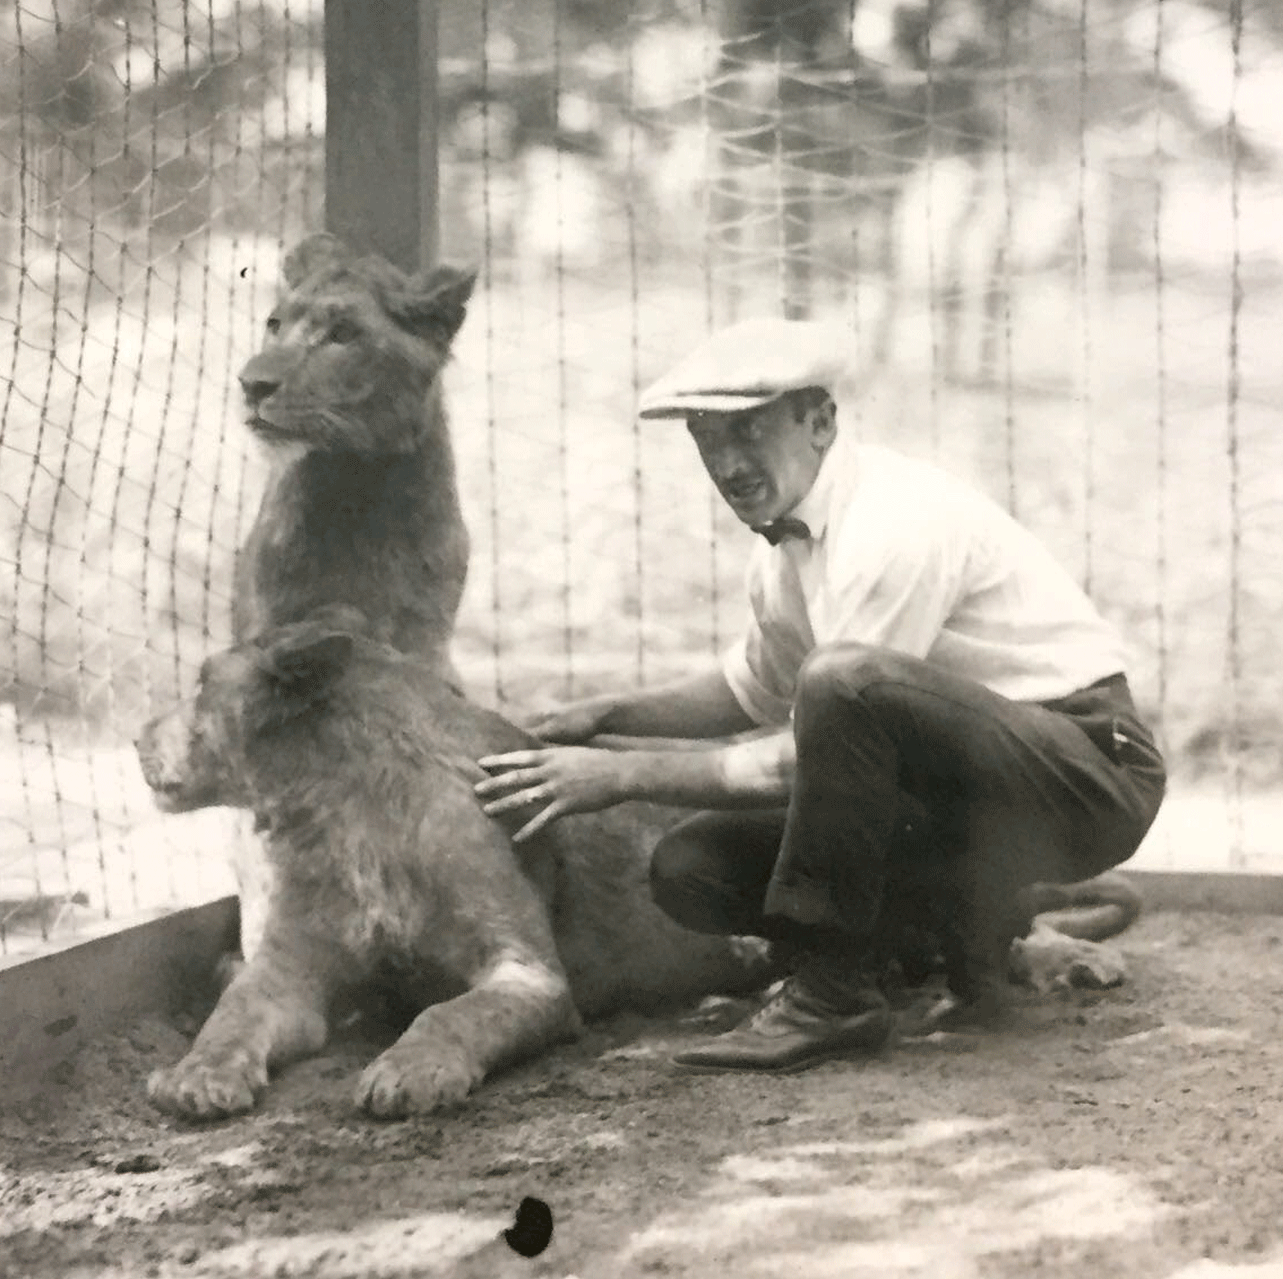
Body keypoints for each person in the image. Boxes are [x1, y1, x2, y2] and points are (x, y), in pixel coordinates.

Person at [472, 318, 1167, 1074]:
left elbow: (811, 746)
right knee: (691, 867)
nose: (729, 462)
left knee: (843, 683)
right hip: (967, 798)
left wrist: (620, 774)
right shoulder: (785, 546)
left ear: (820, 420)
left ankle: (833, 994)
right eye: (708, 440)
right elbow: (752, 688)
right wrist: (609, 715)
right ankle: (965, 928)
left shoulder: (892, 523)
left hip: (1086, 774)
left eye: (751, 431)